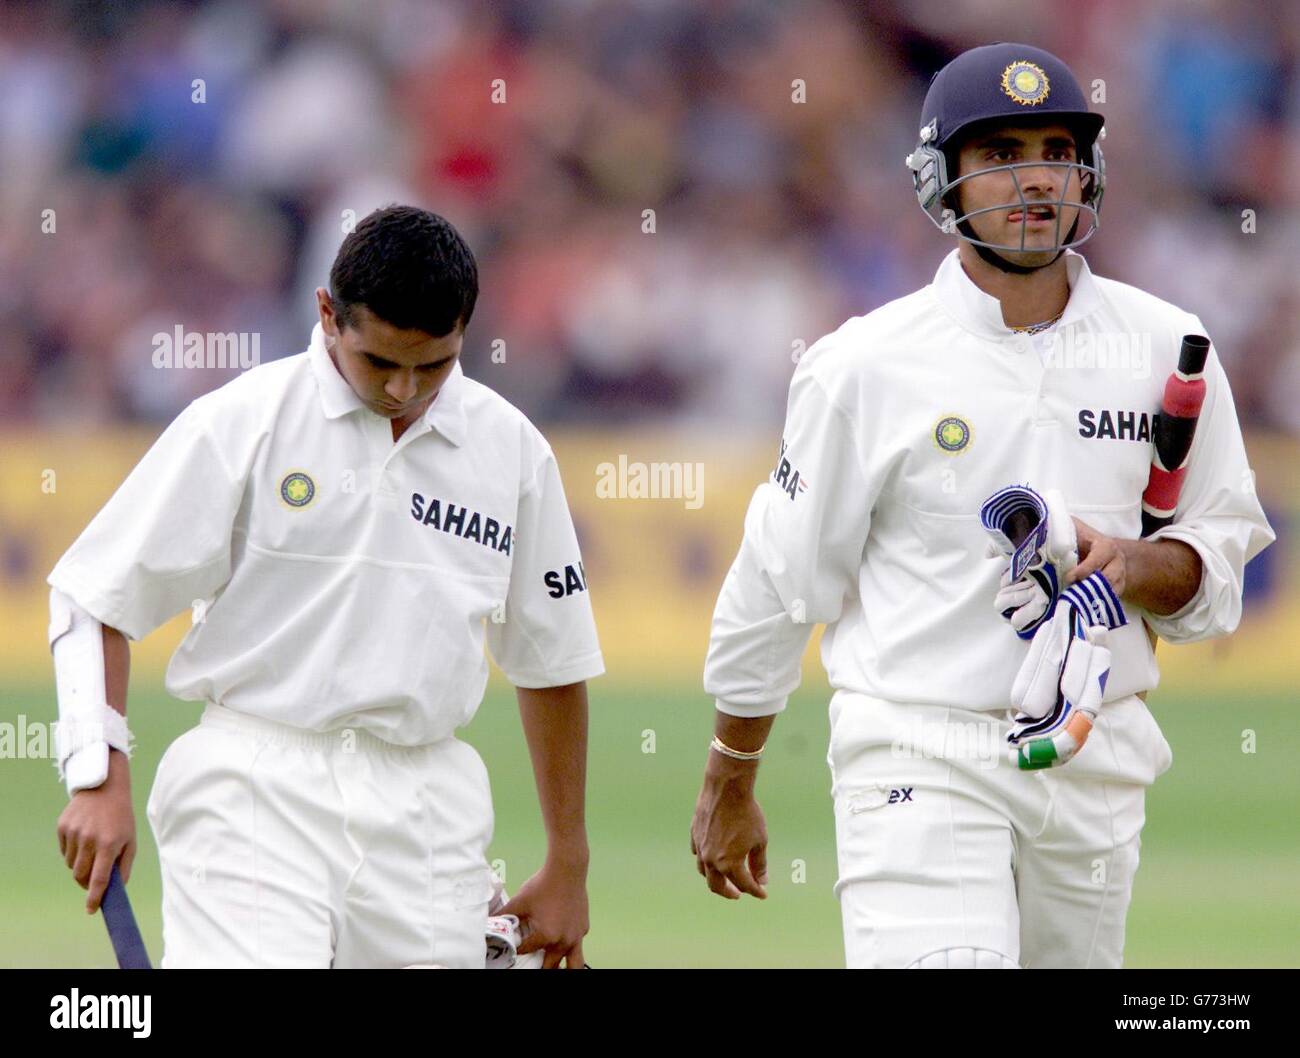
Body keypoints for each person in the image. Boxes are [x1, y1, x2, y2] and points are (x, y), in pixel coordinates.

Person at [691, 43, 1275, 968]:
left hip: (1098, 756)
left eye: (1054, 149)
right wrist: (734, 764)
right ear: (942, 180)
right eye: (1000, 154)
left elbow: (1217, 558)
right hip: (919, 750)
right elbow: (783, 573)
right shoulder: (863, 364)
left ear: (1088, 172)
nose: (1034, 178)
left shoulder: (1171, 343)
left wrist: (1133, 564)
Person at [49, 205, 602, 968]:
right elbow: (93, 594)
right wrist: (96, 778)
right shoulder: (243, 420)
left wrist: (568, 861)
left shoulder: (512, 451)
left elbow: (553, 661)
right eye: (380, 362)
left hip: (427, 806)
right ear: (326, 314)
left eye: (433, 365)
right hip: (251, 784)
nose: (405, 389)